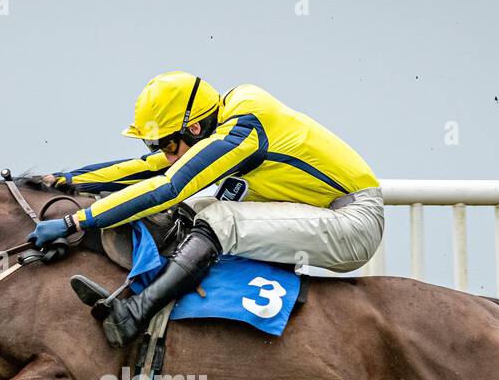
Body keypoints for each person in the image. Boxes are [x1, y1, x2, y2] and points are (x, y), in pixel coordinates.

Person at [29, 71, 385, 347]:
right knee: (194, 208)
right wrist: (65, 180)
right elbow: (151, 167)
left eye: (170, 144)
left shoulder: (246, 123)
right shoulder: (227, 121)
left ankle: (136, 313)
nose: (168, 154)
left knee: (214, 216)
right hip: (324, 212)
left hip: (352, 223)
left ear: (195, 127)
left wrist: (75, 221)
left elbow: (167, 186)